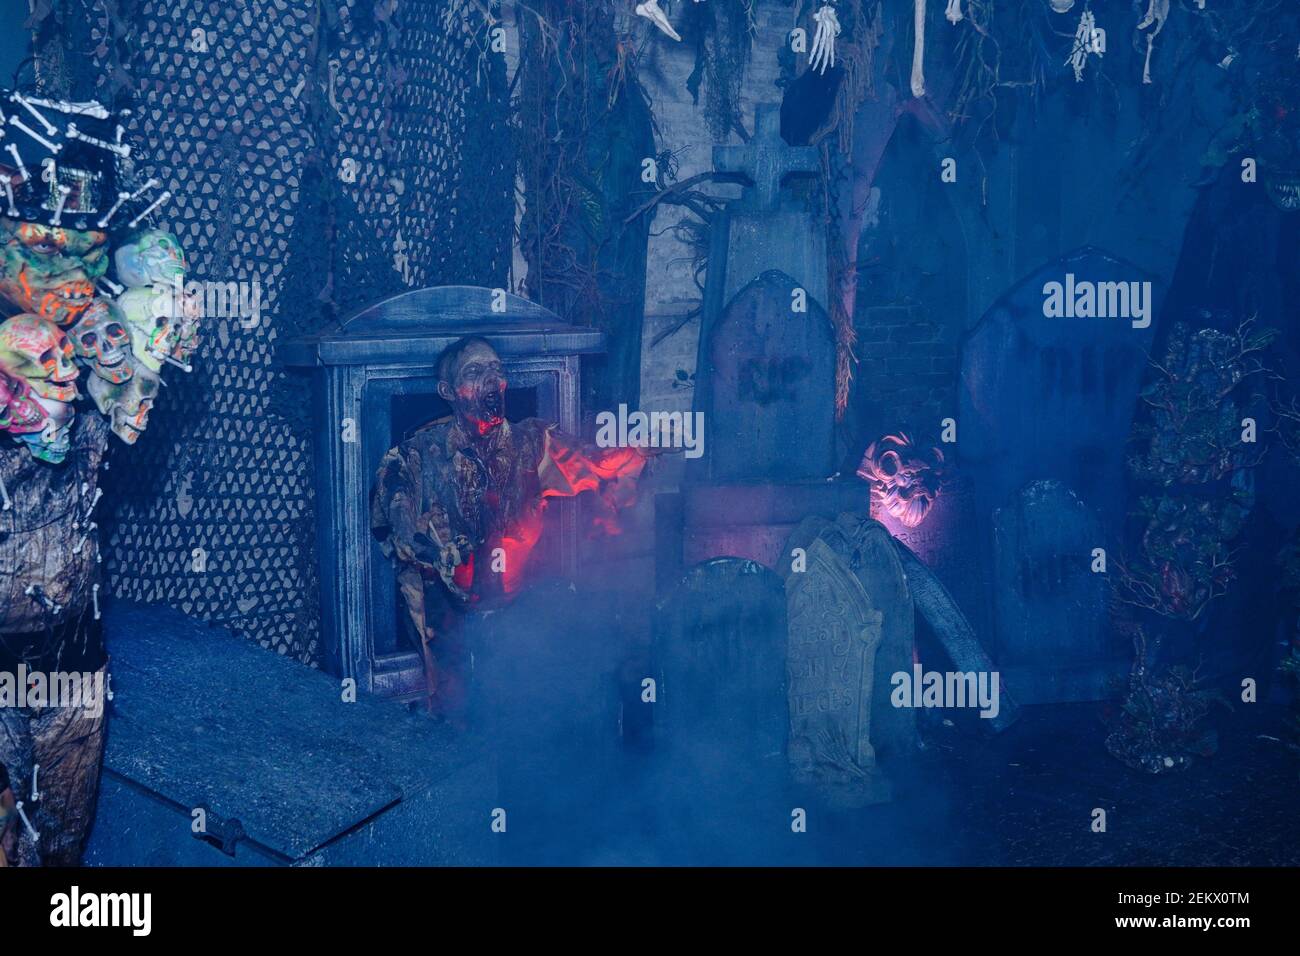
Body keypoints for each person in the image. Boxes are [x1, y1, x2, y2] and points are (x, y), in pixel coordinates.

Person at [371, 336, 651, 715]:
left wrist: (637, 454)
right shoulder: (416, 454)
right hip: (446, 622)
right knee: (455, 724)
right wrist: (434, 551)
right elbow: (398, 522)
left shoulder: (531, 443)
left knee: (529, 709)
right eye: (475, 372)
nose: (490, 379)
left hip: (517, 611)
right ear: (449, 391)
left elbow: (595, 462)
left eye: (496, 370)